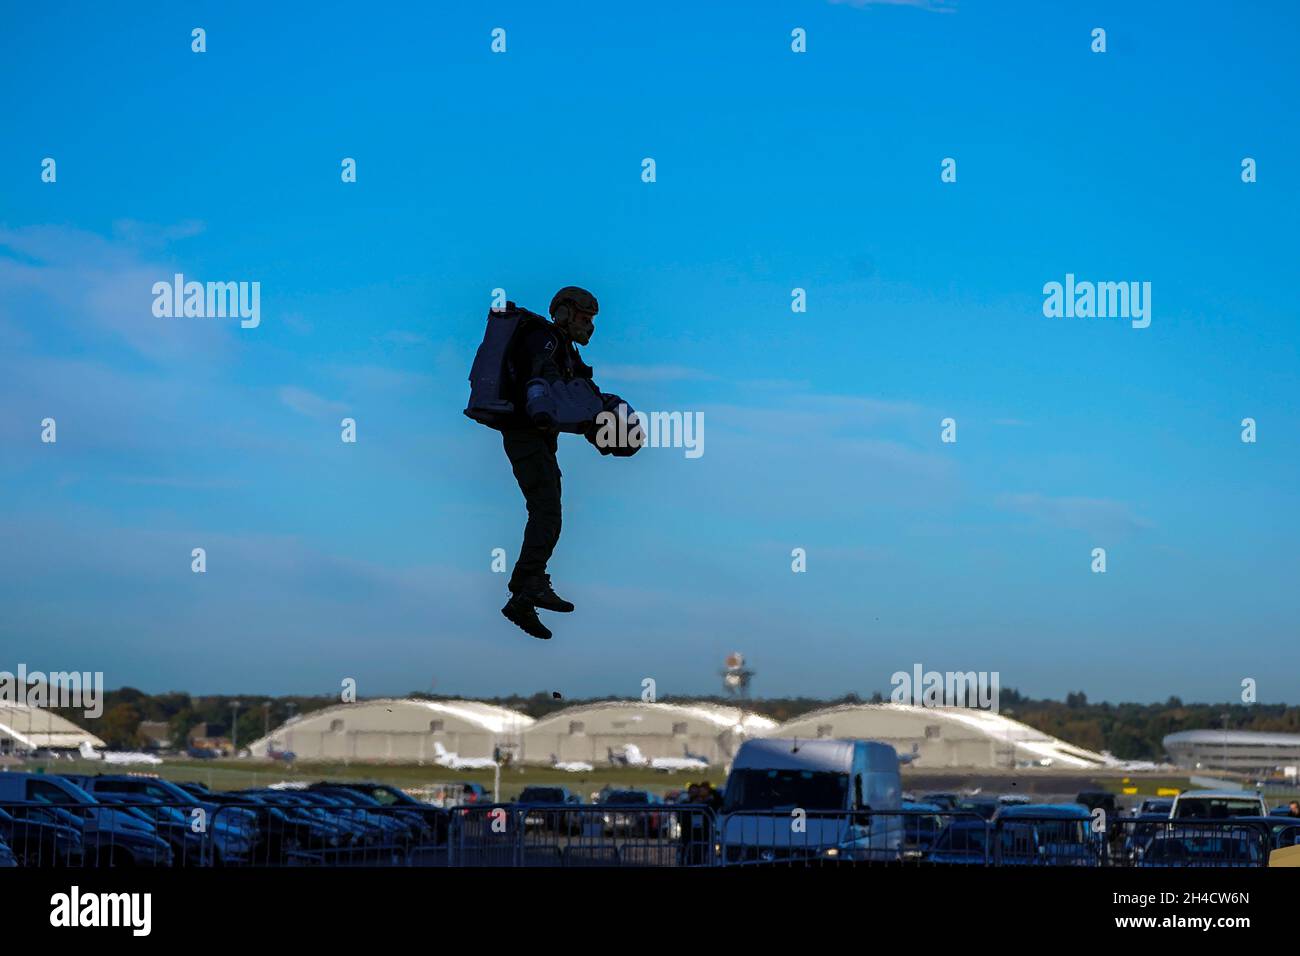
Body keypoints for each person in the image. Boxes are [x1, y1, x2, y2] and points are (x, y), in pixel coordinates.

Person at [498, 286, 626, 639]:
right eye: (585, 317)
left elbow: (583, 396)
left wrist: (607, 434)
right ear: (566, 313)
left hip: (538, 437)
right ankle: (527, 587)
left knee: (548, 510)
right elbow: (540, 385)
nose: (590, 326)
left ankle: (524, 593)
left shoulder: (564, 350)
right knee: (547, 511)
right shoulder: (546, 340)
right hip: (526, 434)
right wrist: (545, 410)